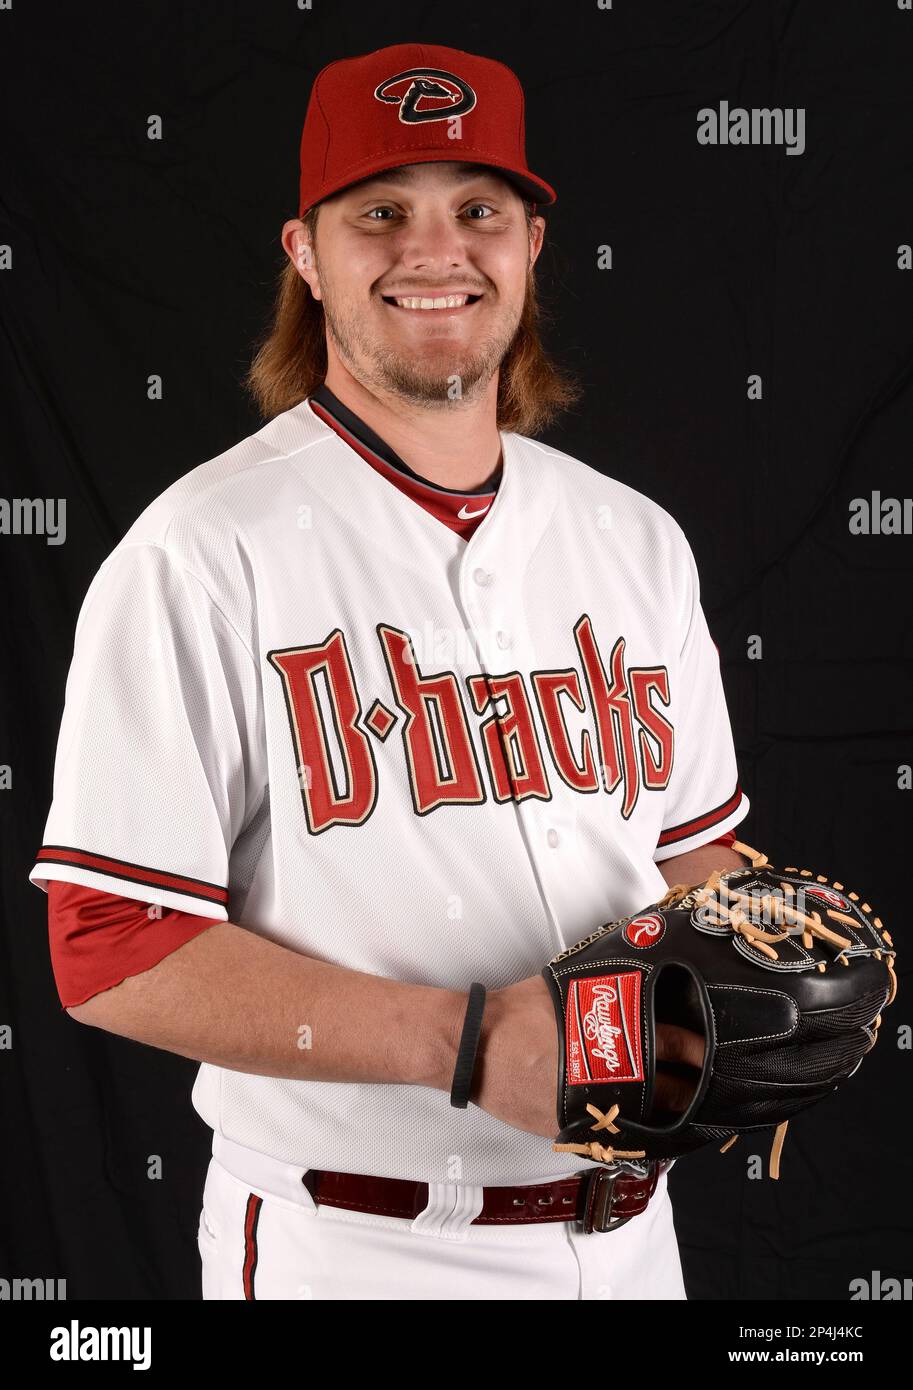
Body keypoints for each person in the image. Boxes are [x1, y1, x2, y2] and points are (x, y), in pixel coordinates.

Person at [29, 42, 750, 1300]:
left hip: (636, 1237)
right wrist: (469, 1045)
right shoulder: (200, 553)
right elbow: (108, 945)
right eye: (381, 213)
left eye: (477, 210)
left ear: (529, 244)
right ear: (305, 255)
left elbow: (692, 855)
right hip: (356, 1247)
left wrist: (763, 947)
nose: (436, 251)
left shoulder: (634, 538)